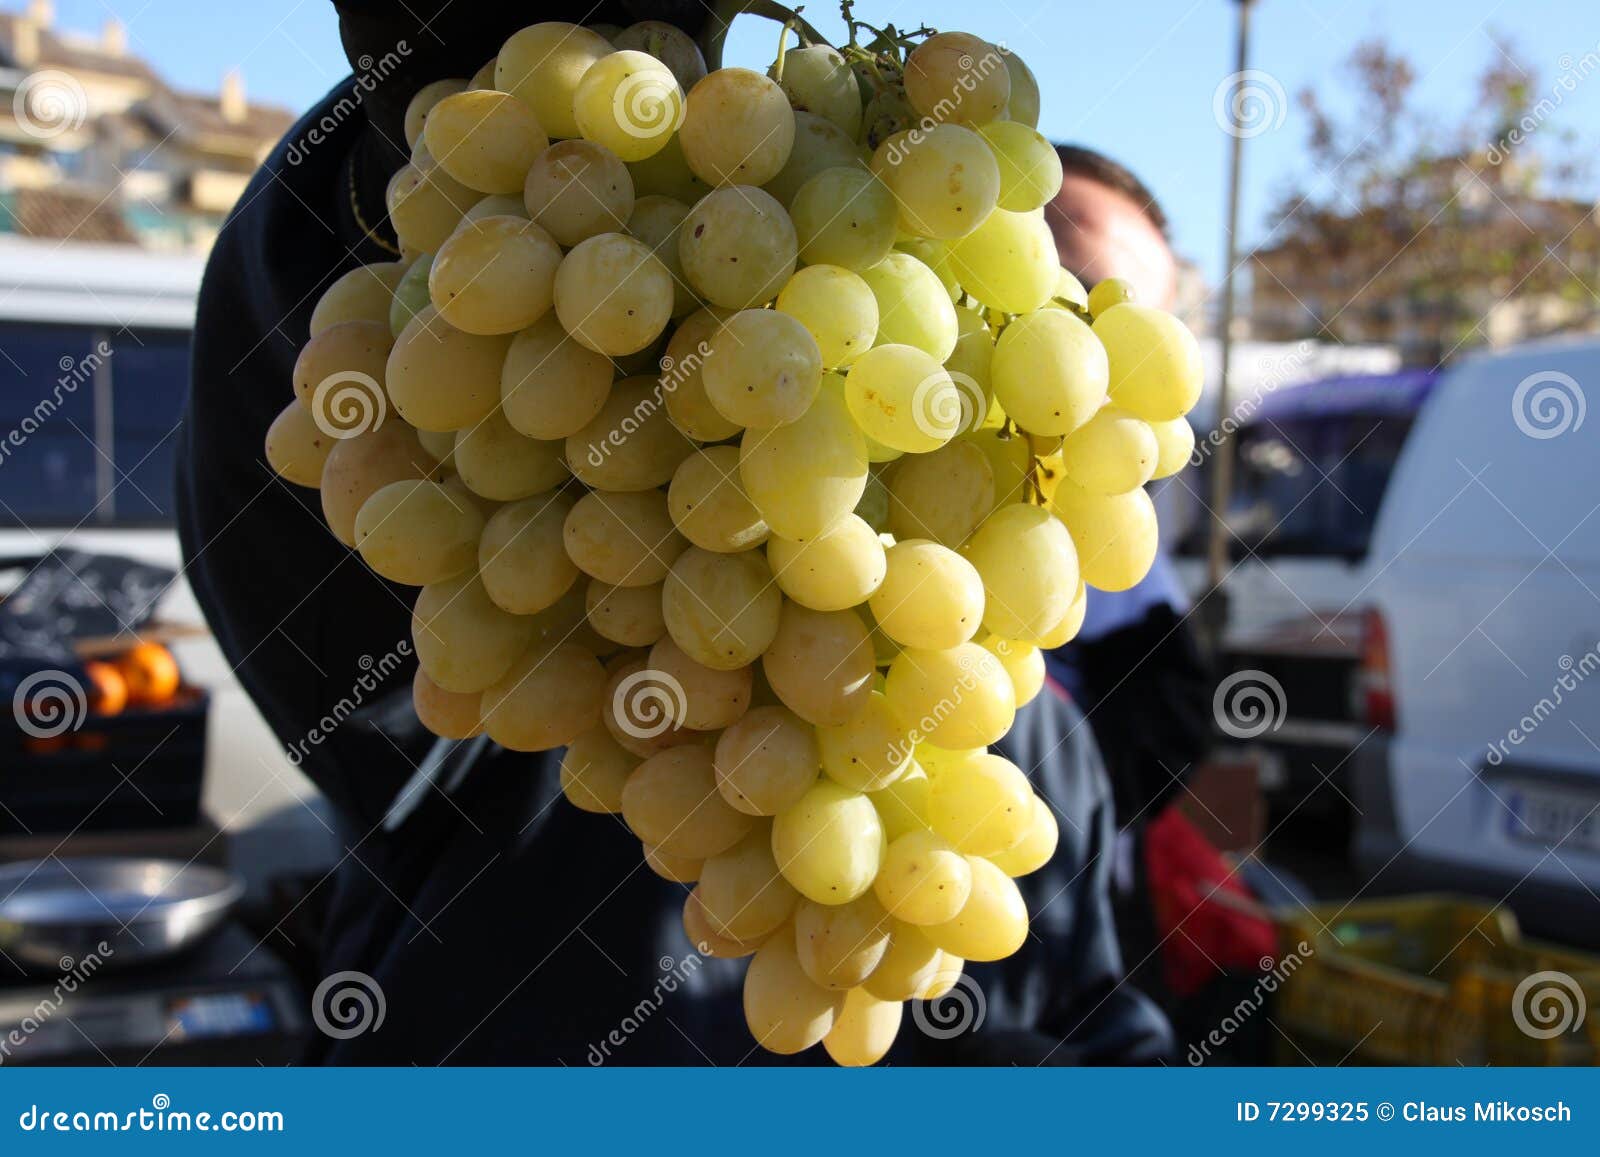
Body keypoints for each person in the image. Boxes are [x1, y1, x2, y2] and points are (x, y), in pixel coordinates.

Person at [174, 3, 1171, 1064]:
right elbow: (287, 470)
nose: (1069, 346)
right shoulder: (559, 617)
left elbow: (1102, 1017)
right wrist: (424, 136)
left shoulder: (1038, 743)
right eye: (1038, 275)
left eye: (1092, 314)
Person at [1042, 145, 1214, 832]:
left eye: (1146, 333)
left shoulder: (1123, 561)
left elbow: (1154, 762)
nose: (1109, 351)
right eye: (1080, 296)